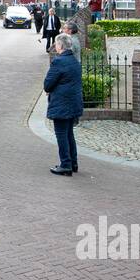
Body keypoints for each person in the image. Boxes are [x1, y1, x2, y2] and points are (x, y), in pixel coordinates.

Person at [44, 33, 83, 176]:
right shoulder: (74, 60)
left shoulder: (58, 61)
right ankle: (73, 163)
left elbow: (47, 85)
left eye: (56, 44)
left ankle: (65, 165)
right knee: (69, 134)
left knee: (61, 134)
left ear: (60, 45)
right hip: (73, 103)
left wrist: (50, 90)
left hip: (61, 103)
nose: (55, 47)